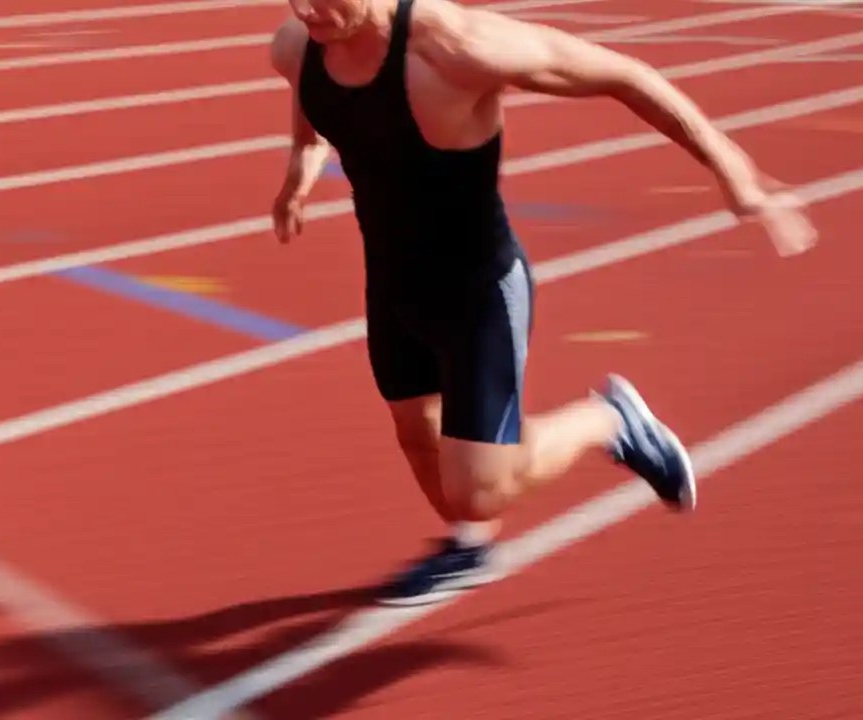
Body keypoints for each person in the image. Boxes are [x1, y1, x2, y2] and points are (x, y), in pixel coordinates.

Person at [268, 0, 817, 606]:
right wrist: (299, 173)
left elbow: (626, 75)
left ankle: (611, 420)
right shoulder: (300, 42)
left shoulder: (457, 46)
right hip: (393, 284)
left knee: (481, 487)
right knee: (417, 435)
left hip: (476, 289)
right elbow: (314, 114)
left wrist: (734, 172)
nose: (304, 6)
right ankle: (471, 547)